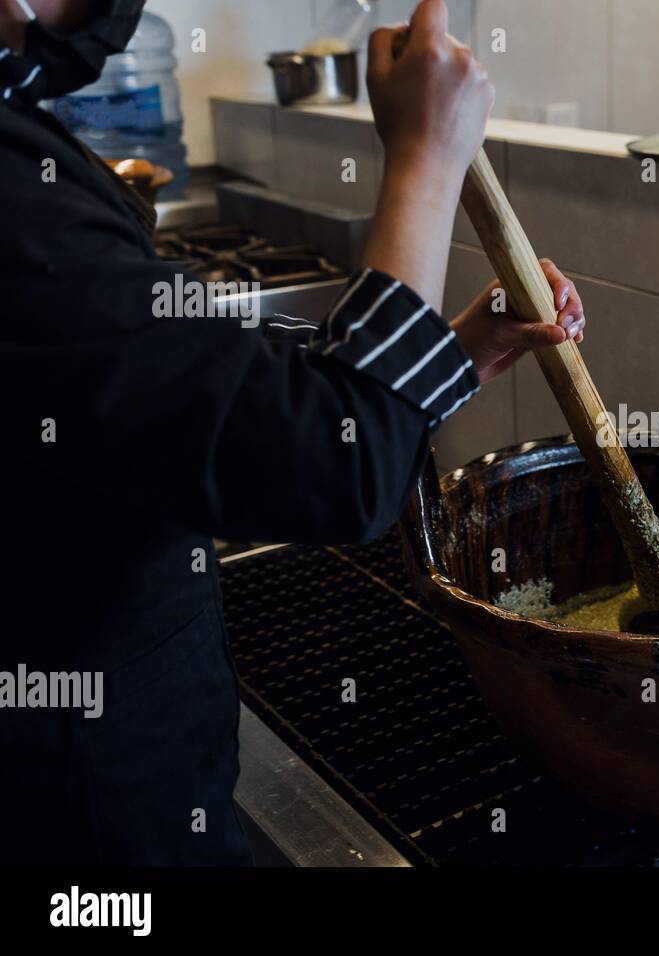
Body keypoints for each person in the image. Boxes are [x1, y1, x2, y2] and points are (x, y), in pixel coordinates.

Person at [0, 0, 586, 865]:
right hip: (77, 808)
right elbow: (335, 466)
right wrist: (426, 158)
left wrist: (452, 353)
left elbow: (196, 411)